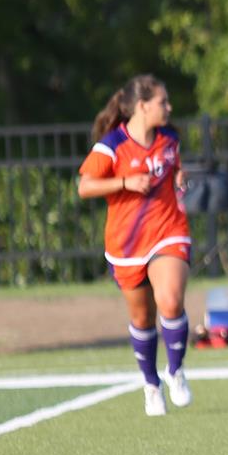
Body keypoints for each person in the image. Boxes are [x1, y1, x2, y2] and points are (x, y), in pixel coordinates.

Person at [77, 75, 195, 417]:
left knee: (171, 300)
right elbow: (85, 186)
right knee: (143, 317)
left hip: (168, 229)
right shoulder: (111, 145)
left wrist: (179, 178)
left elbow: (175, 167)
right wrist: (126, 182)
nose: (169, 108)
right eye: (163, 102)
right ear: (142, 106)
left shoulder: (169, 137)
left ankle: (176, 371)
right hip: (127, 242)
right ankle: (151, 384)